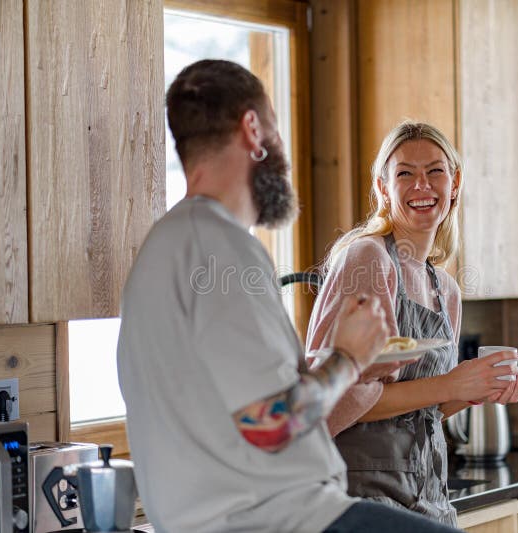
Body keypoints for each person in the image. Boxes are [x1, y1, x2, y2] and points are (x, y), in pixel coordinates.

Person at [116, 60, 462, 532]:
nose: (284, 153)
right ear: (252, 129)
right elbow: (270, 427)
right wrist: (347, 359)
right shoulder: (221, 248)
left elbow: (245, 419)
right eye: (277, 132)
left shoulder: (167, 245)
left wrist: (352, 363)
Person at [306, 121, 518, 526]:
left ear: (455, 182)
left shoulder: (445, 288)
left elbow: (422, 408)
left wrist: (477, 389)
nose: (421, 186)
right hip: (360, 499)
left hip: (428, 497)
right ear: (382, 188)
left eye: (435, 171)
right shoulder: (368, 259)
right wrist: (452, 383)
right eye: (404, 173)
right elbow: (341, 398)